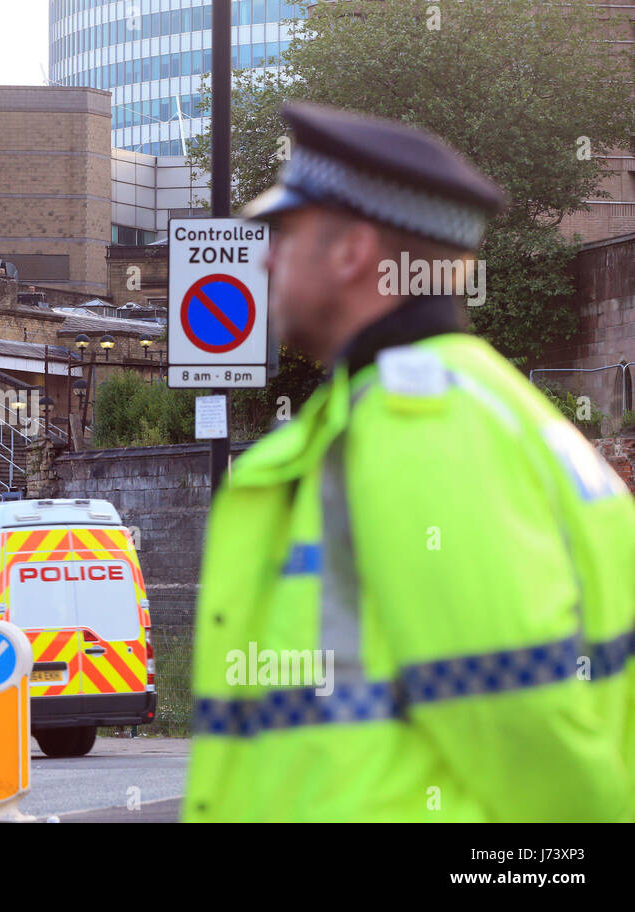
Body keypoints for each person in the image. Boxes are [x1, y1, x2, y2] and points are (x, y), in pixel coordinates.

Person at [182, 102, 635, 822]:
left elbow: (523, 729)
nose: (263, 256)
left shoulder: (421, 427)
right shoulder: (455, 407)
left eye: (284, 233)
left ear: (353, 251)